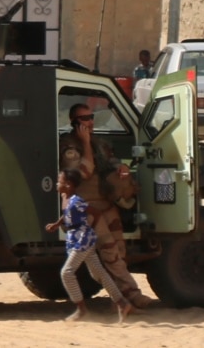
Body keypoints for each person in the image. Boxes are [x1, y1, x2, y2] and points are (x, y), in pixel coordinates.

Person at [59, 103, 154, 309]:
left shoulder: (99, 143)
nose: (90, 122)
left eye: (91, 117)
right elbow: (83, 172)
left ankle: (122, 297)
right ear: (74, 123)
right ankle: (131, 295)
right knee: (109, 252)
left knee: (119, 251)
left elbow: (112, 161)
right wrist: (84, 143)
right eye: (84, 119)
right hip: (86, 209)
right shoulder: (69, 145)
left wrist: (121, 168)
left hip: (106, 204)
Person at [46, 168, 134, 324]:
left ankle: (81, 310)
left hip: (82, 240)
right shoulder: (65, 197)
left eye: (60, 181)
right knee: (99, 273)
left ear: (68, 184)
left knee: (67, 272)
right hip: (75, 239)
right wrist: (57, 224)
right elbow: (67, 213)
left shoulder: (77, 201)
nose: (57, 183)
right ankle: (122, 303)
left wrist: (88, 229)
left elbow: (96, 213)